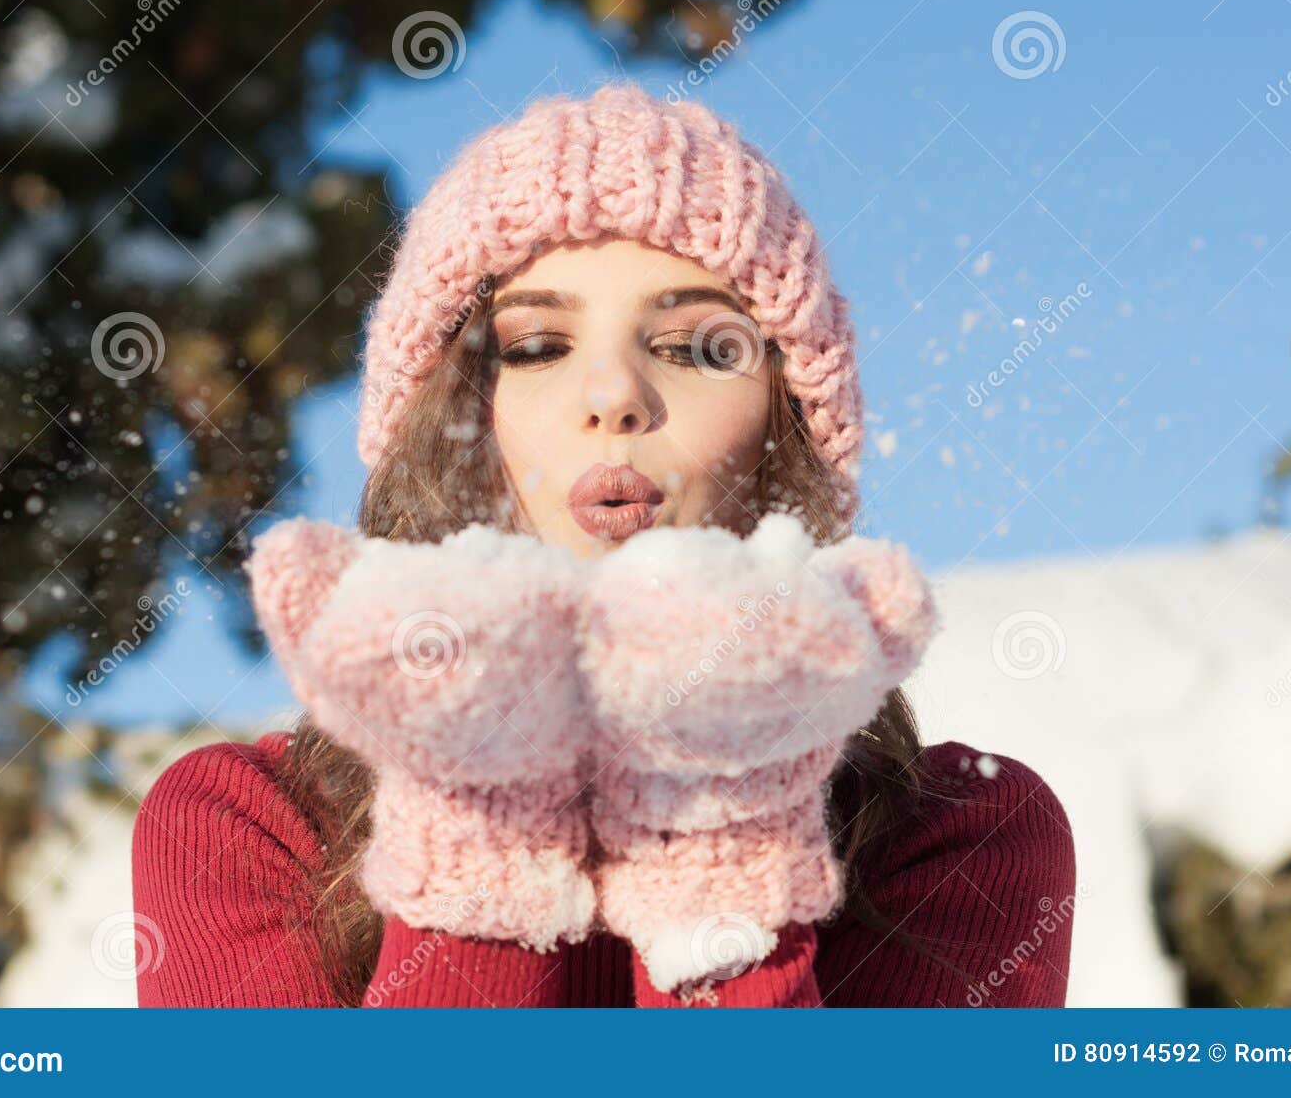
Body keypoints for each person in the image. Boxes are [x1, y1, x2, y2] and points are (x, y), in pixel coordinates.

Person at [131, 81, 1076, 1008]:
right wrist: (479, 812)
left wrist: (719, 829)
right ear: (446, 421)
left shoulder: (969, 836)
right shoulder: (246, 829)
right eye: (536, 346)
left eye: (699, 347)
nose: (615, 394)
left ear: (787, 427)